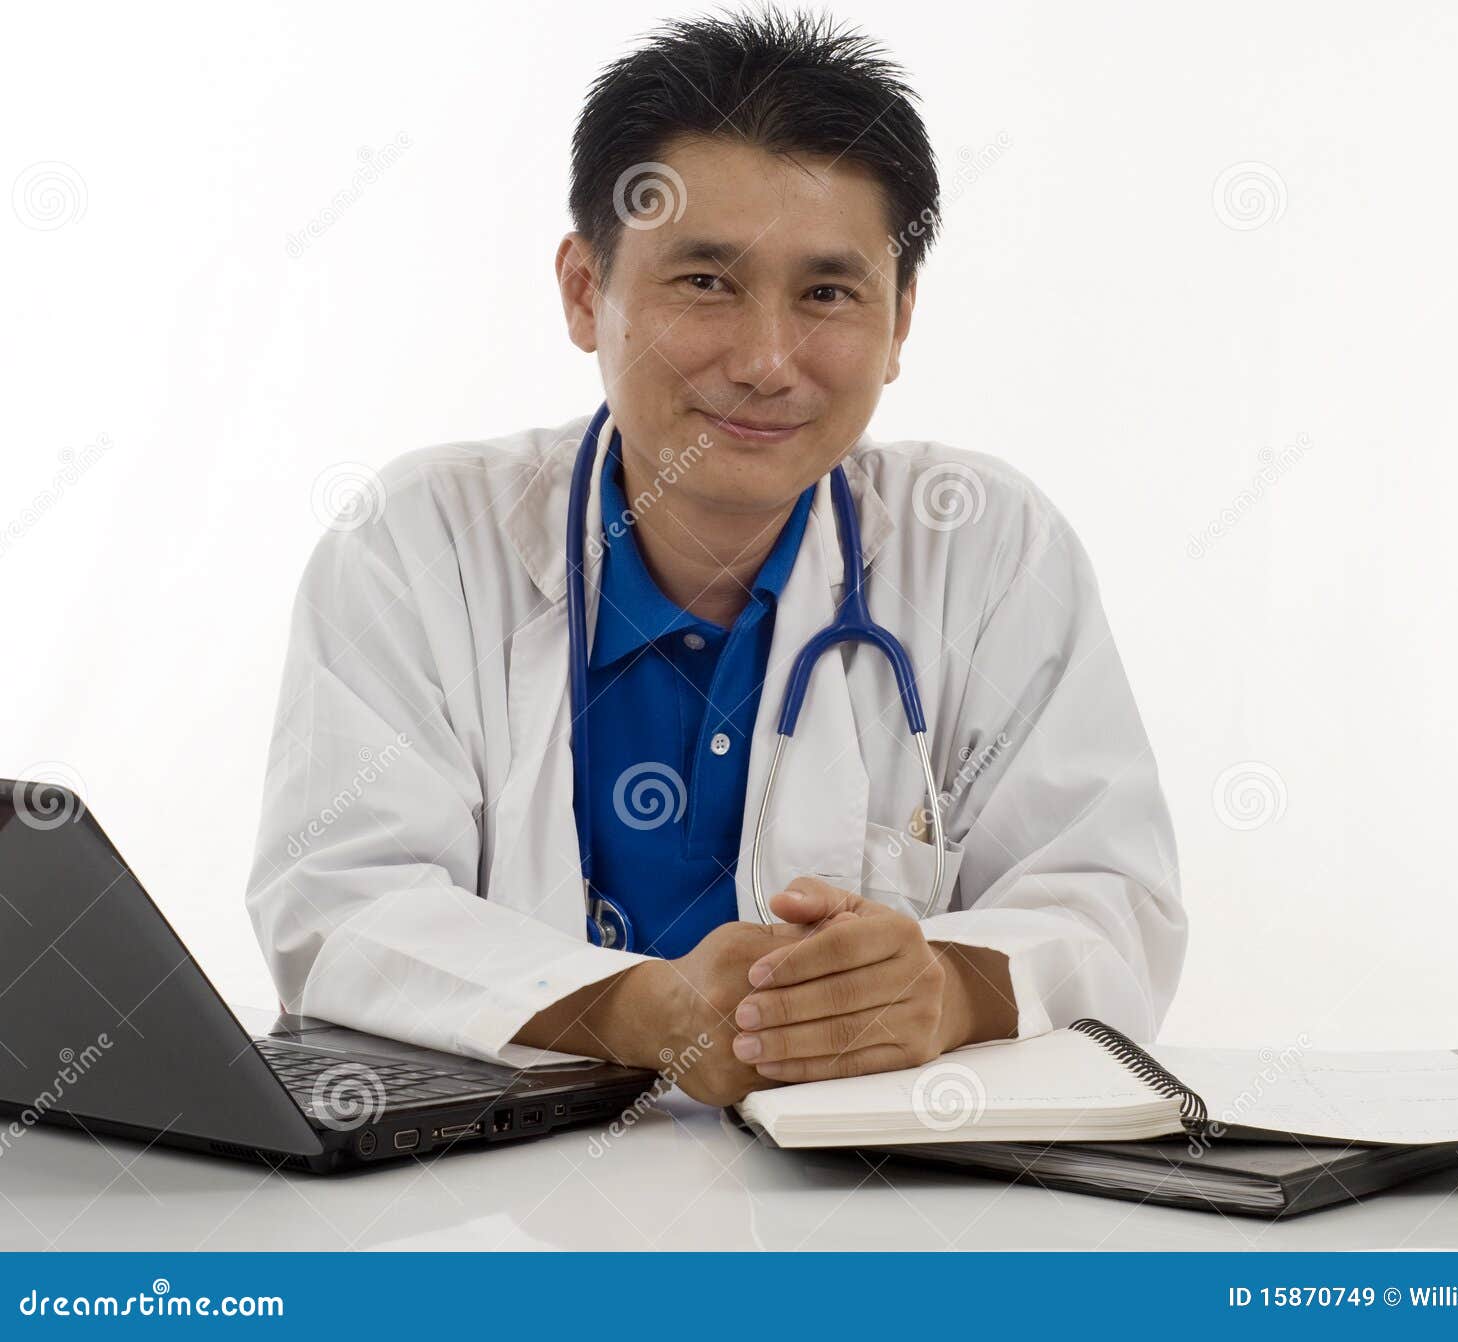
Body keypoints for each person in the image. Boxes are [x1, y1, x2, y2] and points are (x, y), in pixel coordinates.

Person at [246, 8, 1184, 1107]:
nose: (766, 360)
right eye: (705, 282)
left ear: (899, 322)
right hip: (500, 1195)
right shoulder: (419, 545)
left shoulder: (982, 546)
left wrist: (942, 990)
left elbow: (1111, 904)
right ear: (585, 291)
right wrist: (647, 1013)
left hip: (874, 1196)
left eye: (827, 293)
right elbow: (341, 907)